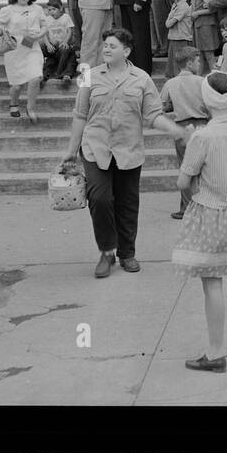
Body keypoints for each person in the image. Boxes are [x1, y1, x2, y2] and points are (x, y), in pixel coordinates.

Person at [62, 27, 189, 279]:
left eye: (112, 46)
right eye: (105, 45)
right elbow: (80, 115)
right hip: (95, 147)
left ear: (126, 51)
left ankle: (127, 253)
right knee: (99, 198)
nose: (106, 49)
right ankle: (107, 251)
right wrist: (70, 151)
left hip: (128, 149)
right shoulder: (89, 76)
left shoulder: (142, 79)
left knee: (127, 203)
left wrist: (177, 131)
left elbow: (153, 115)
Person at [173, 70, 227, 373]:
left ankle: (214, 352)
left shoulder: (202, 136)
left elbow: (184, 182)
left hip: (211, 209)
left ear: (206, 98)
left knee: (212, 283)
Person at [161, 46, 209, 219]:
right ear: (189, 63)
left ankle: (187, 208)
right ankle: (206, 203)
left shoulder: (170, 83)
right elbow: (210, 103)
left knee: (186, 167)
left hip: (181, 127)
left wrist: (175, 105)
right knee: (204, 167)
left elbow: (163, 106)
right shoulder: (202, 81)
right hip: (202, 124)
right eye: (197, 60)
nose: (199, 63)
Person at [0, 0, 48, 123]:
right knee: (17, 86)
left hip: (32, 47)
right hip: (14, 49)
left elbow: (44, 26)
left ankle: (31, 108)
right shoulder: (8, 10)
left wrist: (40, 34)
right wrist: (2, 30)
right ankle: (14, 102)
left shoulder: (37, 9)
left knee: (36, 77)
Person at [189, 0, 220, 72]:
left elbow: (215, 7)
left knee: (209, 55)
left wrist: (198, 13)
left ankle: (216, 79)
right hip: (197, 25)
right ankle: (199, 80)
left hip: (206, 24)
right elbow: (193, 4)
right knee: (199, 54)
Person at [41, 0, 79, 85]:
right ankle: (41, 75)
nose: (51, 12)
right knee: (43, 50)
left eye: (54, 9)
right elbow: (44, 34)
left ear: (61, 8)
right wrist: (48, 44)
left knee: (66, 52)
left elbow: (70, 31)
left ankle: (60, 74)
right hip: (52, 48)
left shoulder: (65, 17)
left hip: (63, 47)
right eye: (49, 10)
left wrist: (65, 41)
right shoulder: (47, 19)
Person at [164, 0, 194, 76]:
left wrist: (169, 19)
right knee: (173, 64)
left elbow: (168, 24)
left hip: (181, 39)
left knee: (179, 65)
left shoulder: (183, 7)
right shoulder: (176, 4)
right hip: (175, 38)